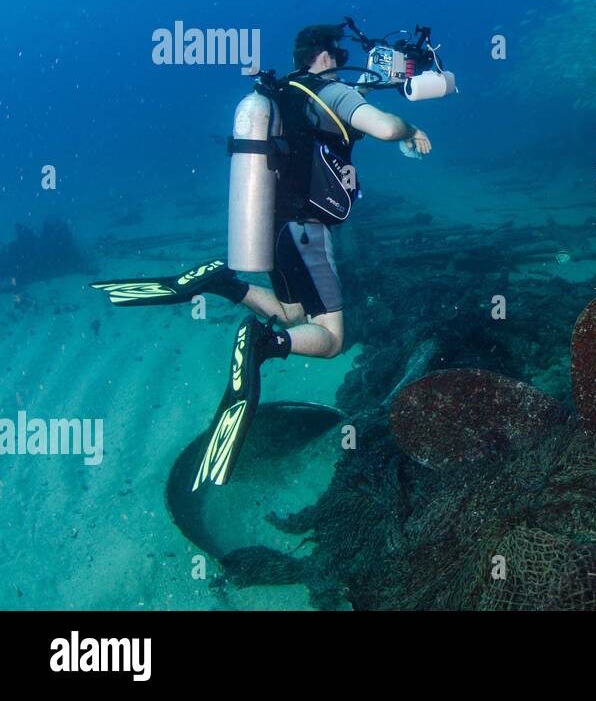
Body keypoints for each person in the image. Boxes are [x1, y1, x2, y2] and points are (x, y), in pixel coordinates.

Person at [92, 24, 444, 486]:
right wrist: (409, 126)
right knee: (331, 340)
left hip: (272, 227)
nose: (342, 57)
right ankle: (265, 345)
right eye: (338, 51)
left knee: (291, 313)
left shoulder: (283, 91)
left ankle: (225, 282)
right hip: (306, 233)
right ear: (323, 55)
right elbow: (382, 127)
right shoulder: (330, 91)